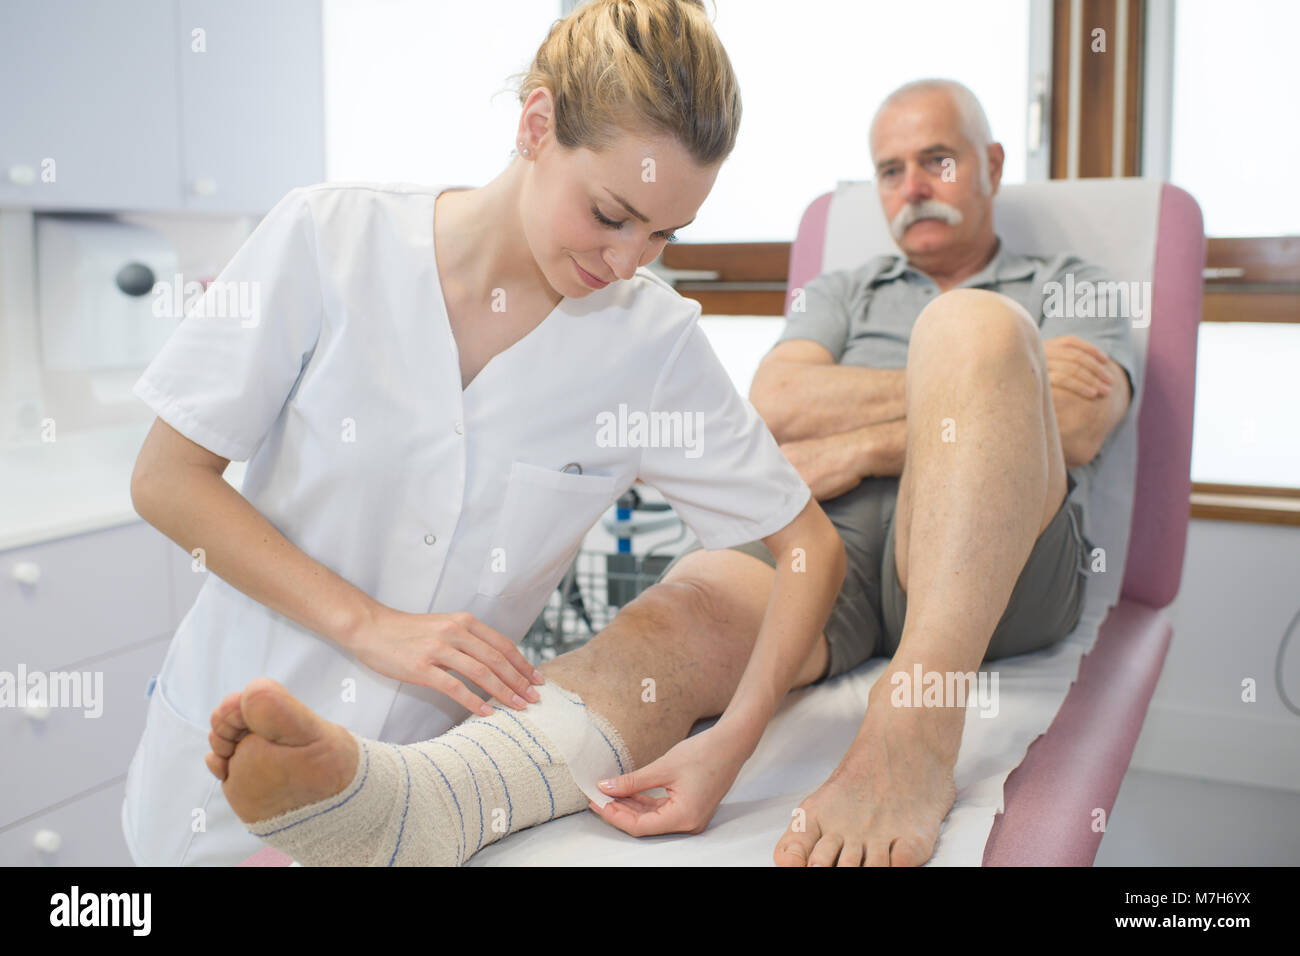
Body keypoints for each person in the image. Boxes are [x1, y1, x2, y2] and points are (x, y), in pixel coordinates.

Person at [205, 74, 1139, 868]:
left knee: (971, 328)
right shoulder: (844, 293)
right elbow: (778, 407)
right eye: (891, 171)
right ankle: (427, 801)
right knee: (676, 612)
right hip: (840, 535)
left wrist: (886, 410)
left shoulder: (1067, 286)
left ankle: (909, 737)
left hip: (999, 568)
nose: (912, 188)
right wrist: (946, 416)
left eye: (937, 160)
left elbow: (1078, 419)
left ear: (992, 166)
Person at [124, 0, 845, 866]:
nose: (627, 260)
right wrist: (369, 624)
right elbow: (167, 478)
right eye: (611, 214)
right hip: (218, 756)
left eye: (664, 233)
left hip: (406, 801)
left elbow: (809, 548)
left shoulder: (650, 345)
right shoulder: (332, 239)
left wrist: (731, 742)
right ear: (537, 125)